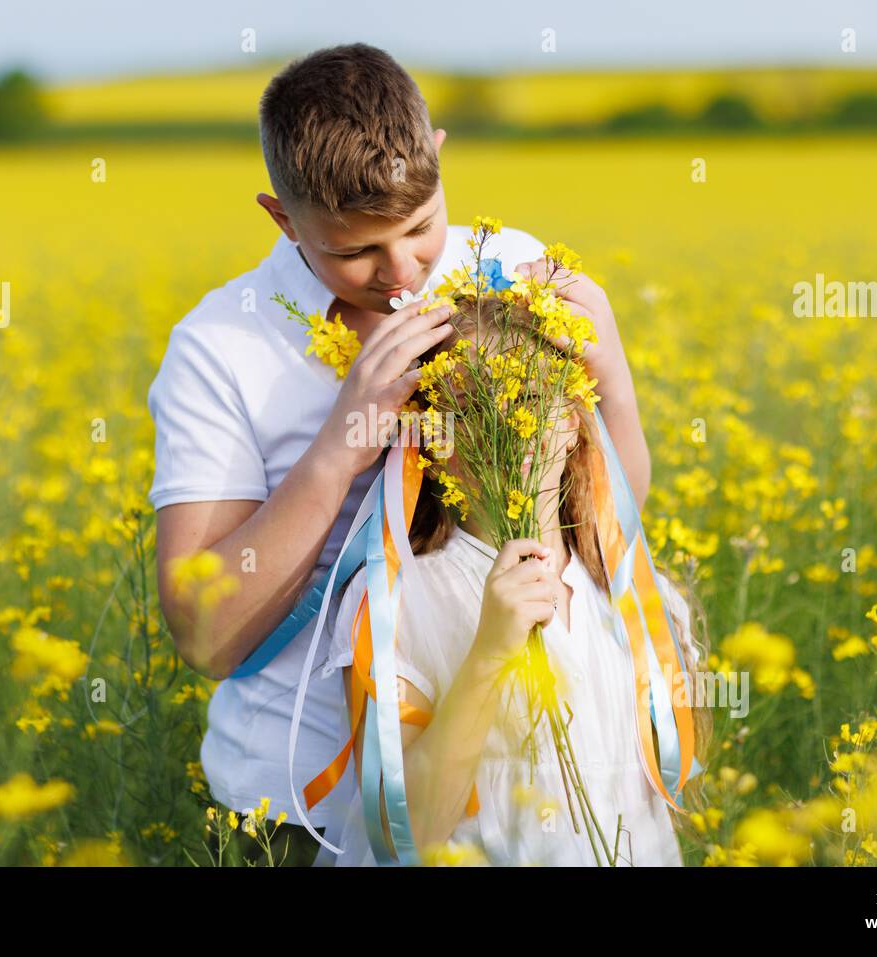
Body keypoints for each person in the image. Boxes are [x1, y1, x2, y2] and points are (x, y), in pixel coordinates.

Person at [148, 43, 652, 864]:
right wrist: (341, 443)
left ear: (440, 158)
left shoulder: (511, 269)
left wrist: (615, 384)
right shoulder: (221, 344)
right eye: (354, 252)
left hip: (520, 795)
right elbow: (207, 638)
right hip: (300, 808)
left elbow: (602, 529)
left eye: (421, 229)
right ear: (281, 217)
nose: (402, 273)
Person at [320, 295, 709, 866]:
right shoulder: (398, 604)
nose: (507, 429)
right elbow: (402, 833)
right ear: (432, 442)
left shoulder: (633, 590)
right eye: (473, 410)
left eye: (526, 398)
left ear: (574, 418)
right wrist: (489, 653)